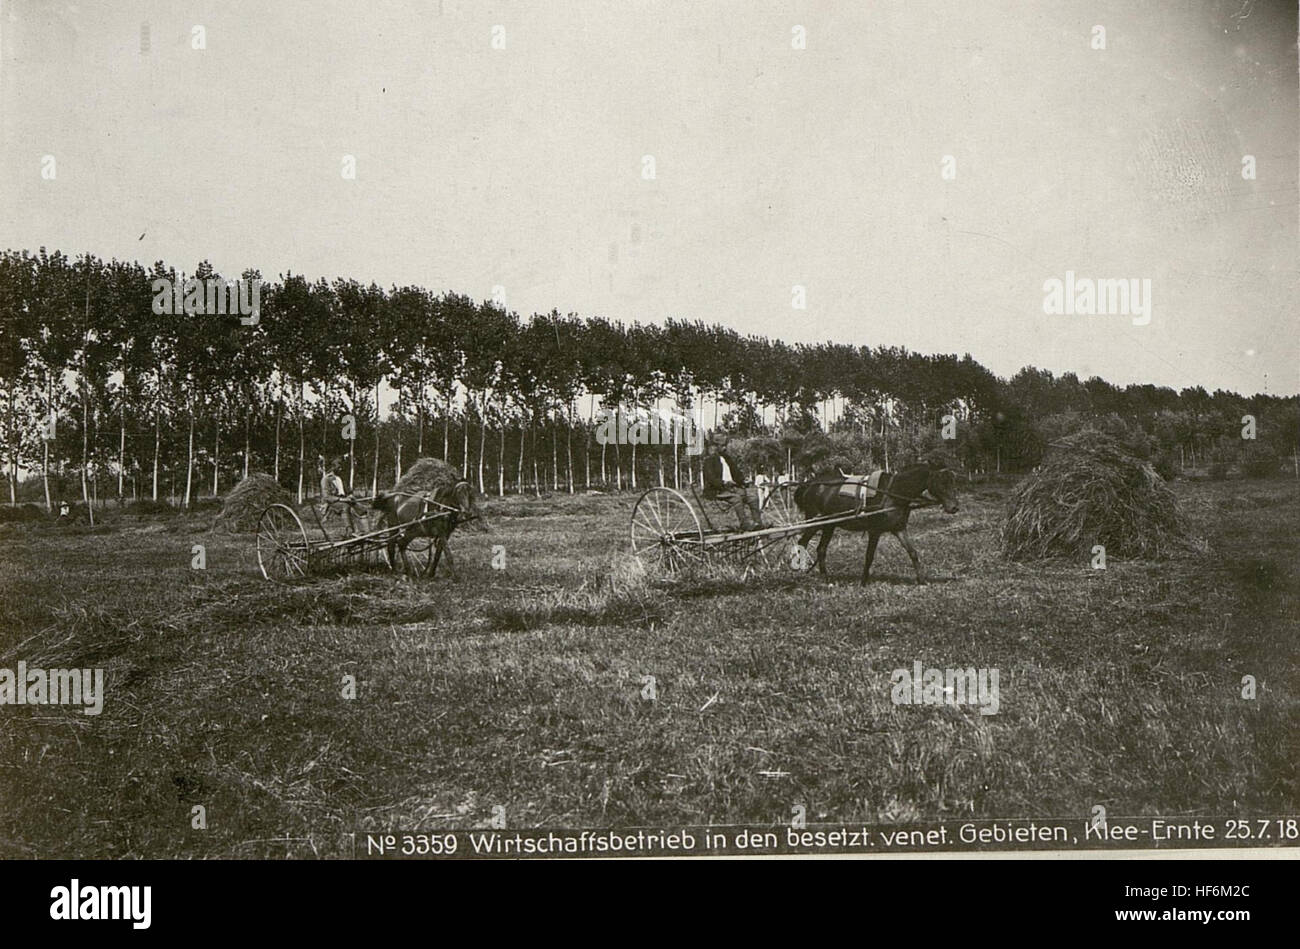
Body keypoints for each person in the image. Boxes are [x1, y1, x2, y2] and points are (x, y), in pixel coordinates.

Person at [702, 431, 763, 530]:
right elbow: (711, 479)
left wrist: (743, 480)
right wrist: (723, 483)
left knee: (753, 498)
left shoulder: (727, 459)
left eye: (725, 445)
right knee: (737, 498)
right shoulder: (709, 460)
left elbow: (736, 473)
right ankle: (744, 524)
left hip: (731, 489)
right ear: (716, 446)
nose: (724, 448)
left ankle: (758, 523)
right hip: (718, 490)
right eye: (722, 446)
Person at [317, 455, 358, 535]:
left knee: (361, 507)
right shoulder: (326, 479)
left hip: (344, 500)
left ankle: (364, 531)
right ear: (333, 467)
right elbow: (327, 497)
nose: (341, 469)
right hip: (331, 503)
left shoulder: (342, 478)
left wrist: (350, 496)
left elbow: (348, 491)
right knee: (345, 506)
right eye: (339, 467)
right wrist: (343, 500)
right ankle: (350, 530)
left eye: (341, 467)